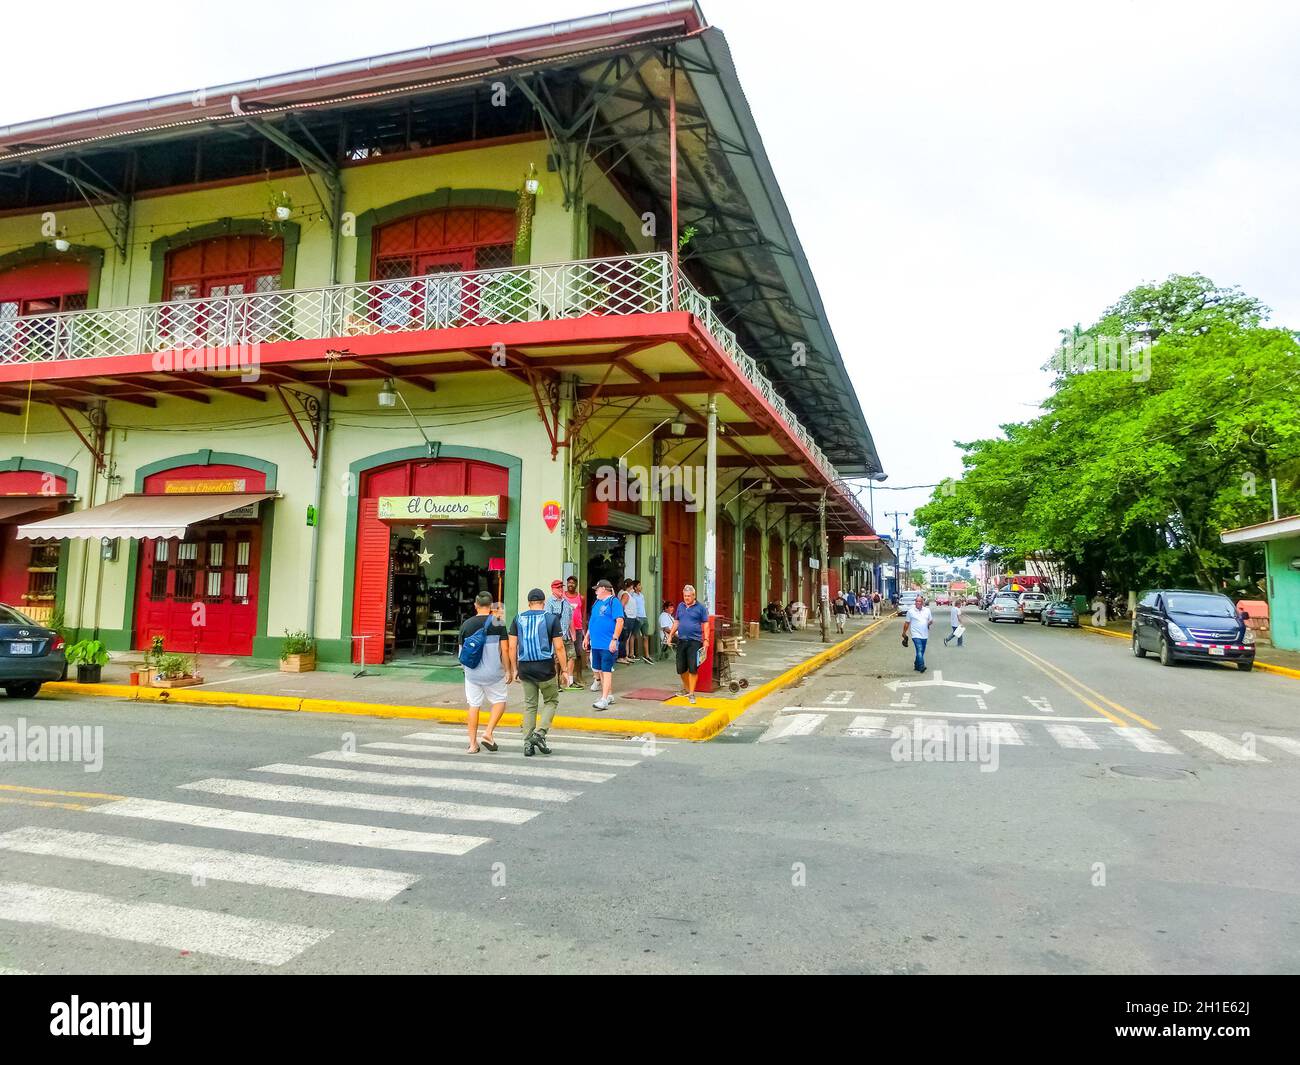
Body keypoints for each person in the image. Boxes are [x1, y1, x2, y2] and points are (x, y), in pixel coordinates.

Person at [509, 587, 569, 756]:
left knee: (530, 705)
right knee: (551, 700)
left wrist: (514, 669)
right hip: (545, 667)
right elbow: (559, 647)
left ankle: (528, 743)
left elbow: (512, 646)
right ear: (543, 603)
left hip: (525, 667)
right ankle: (540, 733)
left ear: (529, 604)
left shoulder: (518, 619)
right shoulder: (550, 619)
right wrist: (564, 670)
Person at [458, 591, 511, 754]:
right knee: (500, 700)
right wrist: (508, 670)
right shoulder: (498, 623)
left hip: (472, 674)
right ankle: (488, 732)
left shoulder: (466, 625)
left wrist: (465, 670)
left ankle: (473, 745)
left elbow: (461, 652)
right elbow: (505, 648)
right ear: (491, 607)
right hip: (494, 673)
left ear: (476, 605)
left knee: (474, 705)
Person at [667, 584, 711, 705]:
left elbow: (706, 624)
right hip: (682, 640)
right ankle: (687, 688)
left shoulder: (700, 608)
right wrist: (670, 635)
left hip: (695, 641)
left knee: (693, 668)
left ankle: (691, 693)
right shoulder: (681, 606)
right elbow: (676, 621)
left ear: (694, 596)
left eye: (688, 596)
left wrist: (706, 639)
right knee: (681, 668)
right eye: (685, 596)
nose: (686, 598)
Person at [585, 578, 624, 711]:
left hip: (607, 643)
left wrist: (614, 639)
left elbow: (619, 621)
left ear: (603, 589)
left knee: (606, 670)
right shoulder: (597, 603)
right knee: (600, 670)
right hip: (596, 643)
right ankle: (608, 695)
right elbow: (592, 621)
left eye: (597, 589)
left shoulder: (614, 602)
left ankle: (604, 698)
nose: (595, 591)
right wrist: (587, 636)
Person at [545, 580, 576, 688]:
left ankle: (568, 681)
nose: (560, 590)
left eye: (561, 587)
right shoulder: (549, 602)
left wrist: (573, 633)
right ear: (553, 589)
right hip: (555, 637)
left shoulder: (566, 602)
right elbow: (547, 620)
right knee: (556, 659)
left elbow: (570, 618)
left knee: (572, 656)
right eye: (558, 588)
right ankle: (556, 683)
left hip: (566, 635)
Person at [902, 592, 933, 673]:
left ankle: (916, 664)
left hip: (925, 634)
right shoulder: (910, 612)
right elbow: (907, 623)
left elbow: (930, 620)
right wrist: (904, 633)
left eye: (920, 601)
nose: (918, 603)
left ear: (922, 603)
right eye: (917, 601)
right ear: (915, 602)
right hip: (915, 634)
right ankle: (922, 666)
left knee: (921, 651)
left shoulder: (927, 610)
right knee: (919, 650)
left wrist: (928, 623)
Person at [564, 575, 586, 687]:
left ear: (576, 585)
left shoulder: (581, 597)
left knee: (578, 653)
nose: (570, 584)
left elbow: (582, 613)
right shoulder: (563, 597)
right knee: (564, 654)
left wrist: (584, 630)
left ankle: (579, 676)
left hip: (577, 629)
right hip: (565, 630)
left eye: (573, 583)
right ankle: (563, 677)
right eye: (569, 582)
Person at [630, 579, 652, 663]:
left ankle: (647, 655)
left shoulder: (641, 595)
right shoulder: (633, 596)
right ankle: (631, 654)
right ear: (635, 587)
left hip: (644, 617)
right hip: (637, 617)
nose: (640, 586)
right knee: (634, 635)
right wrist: (635, 617)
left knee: (645, 636)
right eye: (639, 585)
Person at [616, 579, 634, 664]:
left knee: (626, 637)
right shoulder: (626, 594)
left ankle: (625, 656)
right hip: (627, 617)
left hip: (630, 617)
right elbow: (621, 605)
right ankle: (621, 656)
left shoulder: (626, 594)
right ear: (631, 586)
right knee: (623, 637)